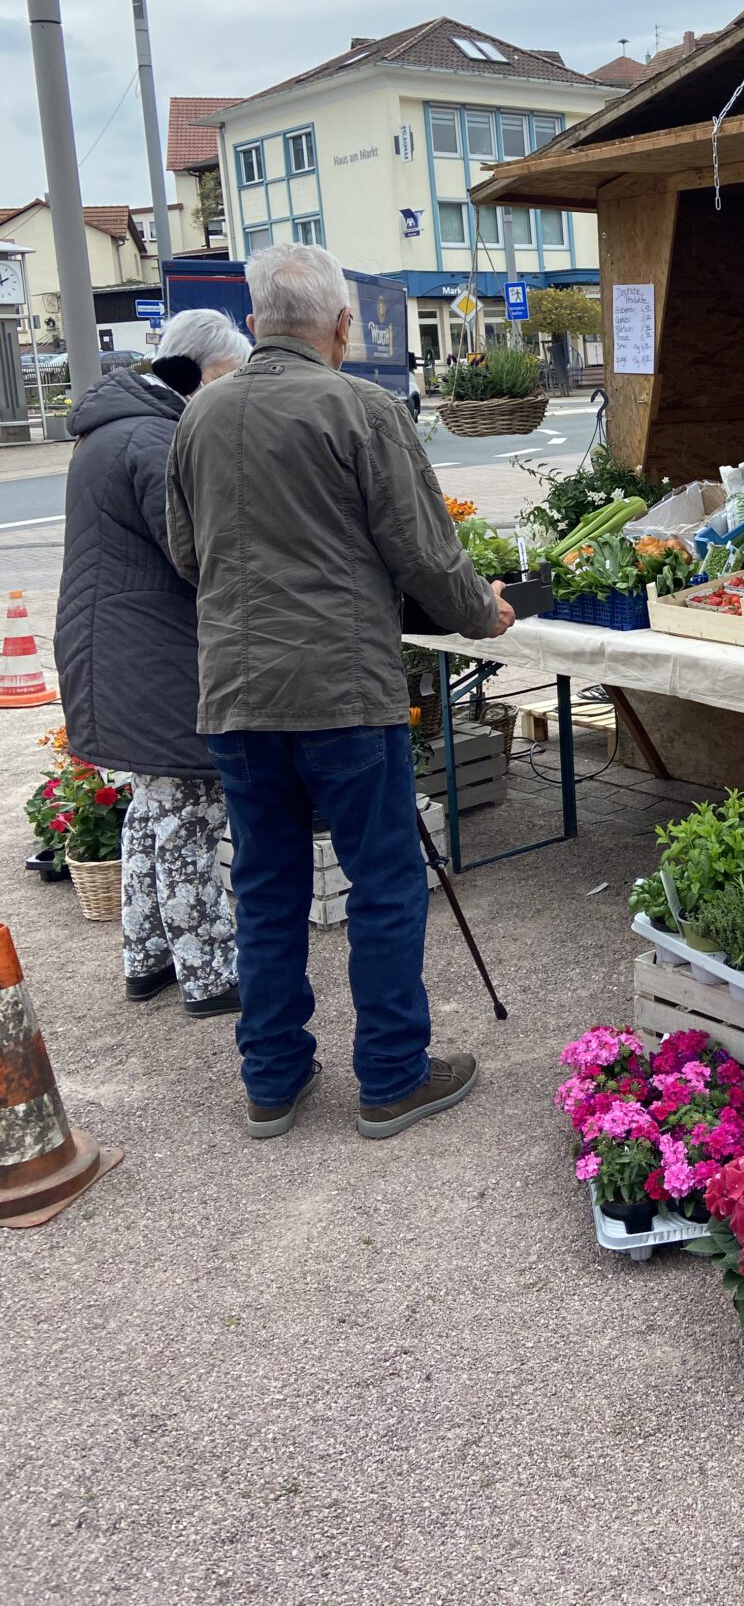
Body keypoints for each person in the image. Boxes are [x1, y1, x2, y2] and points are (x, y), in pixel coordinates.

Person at [165, 246, 515, 1143]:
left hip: (237, 693)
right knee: (386, 881)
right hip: (341, 689)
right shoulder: (361, 407)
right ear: (343, 326)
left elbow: (187, 556)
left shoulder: (199, 415)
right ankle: (393, 1074)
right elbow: (423, 550)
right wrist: (484, 615)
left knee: (269, 884)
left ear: (254, 322)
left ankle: (272, 1082)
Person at [55, 309, 252, 1016]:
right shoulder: (156, 439)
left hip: (116, 654)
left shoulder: (116, 429)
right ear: (197, 373)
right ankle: (209, 973)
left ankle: (147, 956)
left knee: (151, 811)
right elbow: (197, 554)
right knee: (191, 810)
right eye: (230, 378)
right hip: (151, 659)